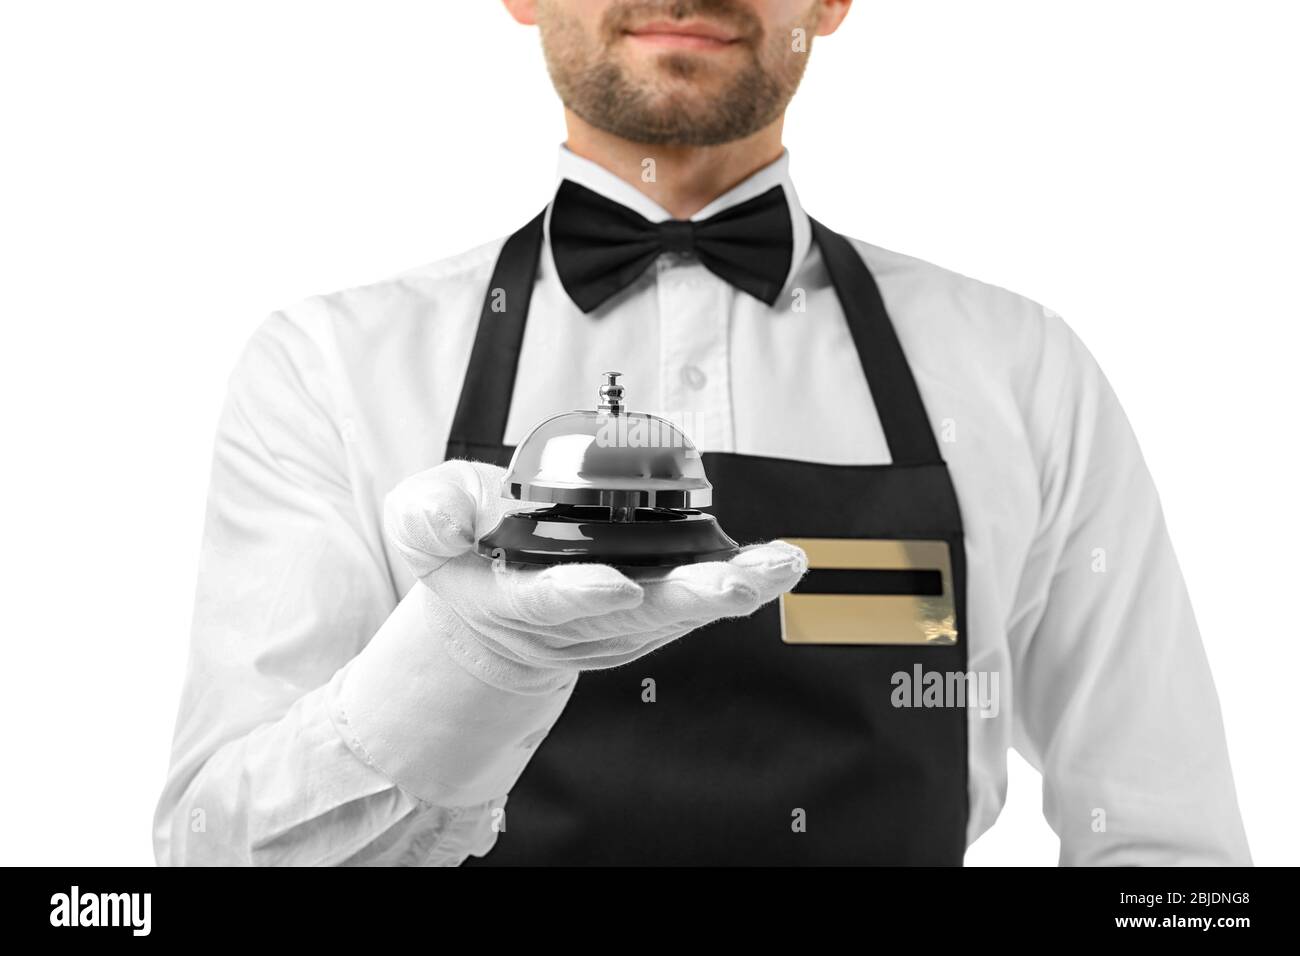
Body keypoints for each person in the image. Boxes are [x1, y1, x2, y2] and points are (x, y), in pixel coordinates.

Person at [154, 0, 1250, 865]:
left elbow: (1168, 849)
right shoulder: (327, 367)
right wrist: (467, 656)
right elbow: (214, 854)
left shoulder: (1021, 366)